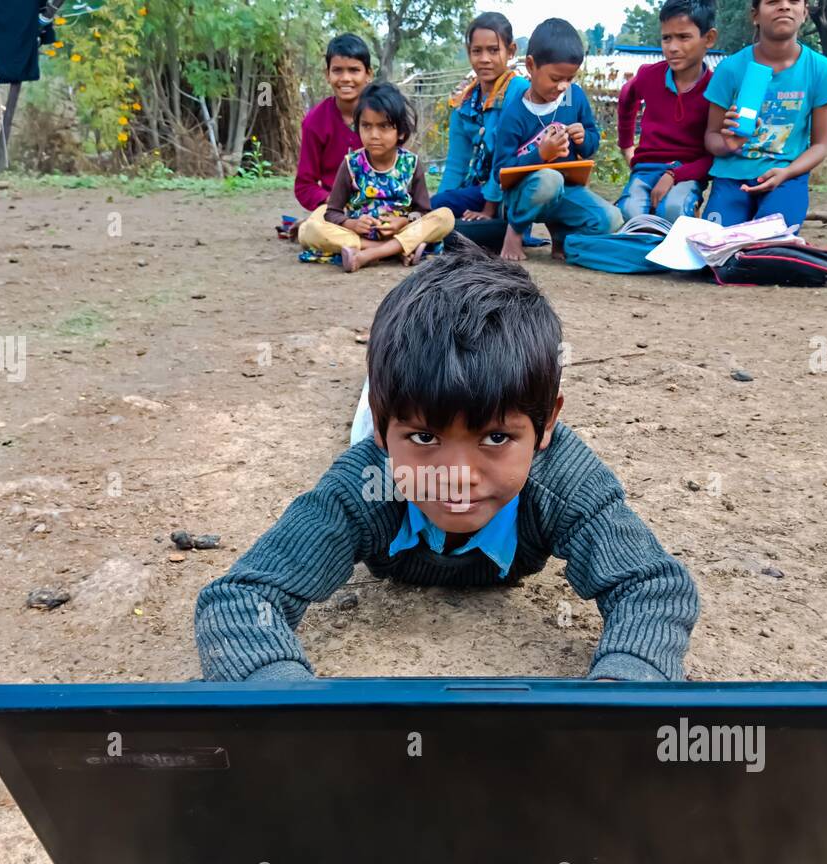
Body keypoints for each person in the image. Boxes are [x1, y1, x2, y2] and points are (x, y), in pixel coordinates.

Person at [195, 237, 700, 684]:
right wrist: (288, 704)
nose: (456, 476)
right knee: (387, 394)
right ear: (384, 431)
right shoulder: (366, 481)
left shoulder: (563, 482)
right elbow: (242, 598)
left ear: (546, 426)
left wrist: (625, 687)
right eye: (424, 437)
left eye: (496, 438)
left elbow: (652, 587)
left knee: (429, 397)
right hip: (377, 429)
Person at [486, 18, 621, 261]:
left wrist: (584, 138)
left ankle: (564, 237)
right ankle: (515, 232)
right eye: (556, 78)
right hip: (524, 195)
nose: (562, 86)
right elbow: (500, 172)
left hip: (566, 191)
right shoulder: (515, 113)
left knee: (612, 219)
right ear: (531, 66)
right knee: (549, 178)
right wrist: (541, 155)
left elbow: (591, 144)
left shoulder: (574, 97)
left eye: (570, 78)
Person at [701, 0, 827, 229]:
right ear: (755, 15)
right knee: (716, 248)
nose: (784, 6)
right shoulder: (730, 69)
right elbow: (711, 138)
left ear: (804, 12)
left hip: (787, 177)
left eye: (793, 1)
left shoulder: (821, 70)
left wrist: (787, 173)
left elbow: (820, 145)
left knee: (770, 246)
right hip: (732, 176)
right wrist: (728, 144)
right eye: (772, 1)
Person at [300, 82, 455, 272]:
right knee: (313, 228)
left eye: (384, 126)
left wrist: (404, 221)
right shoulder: (351, 164)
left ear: (401, 132)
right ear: (358, 128)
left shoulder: (411, 164)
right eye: (366, 126)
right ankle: (392, 250)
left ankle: (368, 254)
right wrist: (353, 224)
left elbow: (422, 211)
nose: (374, 135)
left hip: (400, 231)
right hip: (359, 234)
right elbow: (333, 211)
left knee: (445, 216)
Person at [615, 0, 718, 223]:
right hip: (645, 168)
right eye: (666, 38)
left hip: (688, 171)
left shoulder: (717, 89)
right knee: (630, 214)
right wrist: (626, 147)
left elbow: (715, 154)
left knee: (674, 211)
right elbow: (626, 97)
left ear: (708, 38)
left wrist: (675, 174)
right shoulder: (649, 75)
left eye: (683, 37)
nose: (672, 47)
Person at [431, 12, 528, 221]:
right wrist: (435, 210)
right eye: (477, 51)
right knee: (436, 208)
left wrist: (488, 208)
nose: (485, 59)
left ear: (511, 51)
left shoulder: (518, 91)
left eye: (494, 50)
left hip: (512, 189)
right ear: (469, 52)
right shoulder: (463, 102)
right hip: (479, 191)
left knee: (443, 217)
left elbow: (505, 157)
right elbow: (456, 165)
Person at [292, 34, 371, 216]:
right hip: (336, 210)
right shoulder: (315, 122)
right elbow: (304, 186)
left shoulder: (385, 118)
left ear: (368, 74)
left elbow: (401, 170)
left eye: (354, 70)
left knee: (440, 218)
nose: (345, 78)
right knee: (315, 229)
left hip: (384, 206)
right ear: (327, 75)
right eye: (337, 70)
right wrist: (334, 202)